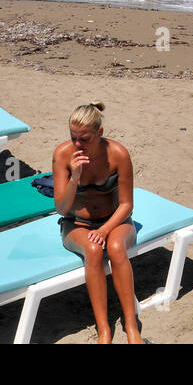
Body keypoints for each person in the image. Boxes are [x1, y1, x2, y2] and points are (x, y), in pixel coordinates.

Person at [53, 102, 142, 343]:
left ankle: (131, 326)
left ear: (99, 133)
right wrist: (75, 178)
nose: (78, 144)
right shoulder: (63, 155)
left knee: (115, 247)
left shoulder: (118, 154)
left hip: (115, 220)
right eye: (74, 138)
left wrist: (104, 229)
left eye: (85, 139)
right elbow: (61, 207)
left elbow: (126, 204)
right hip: (76, 223)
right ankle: (104, 330)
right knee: (93, 251)